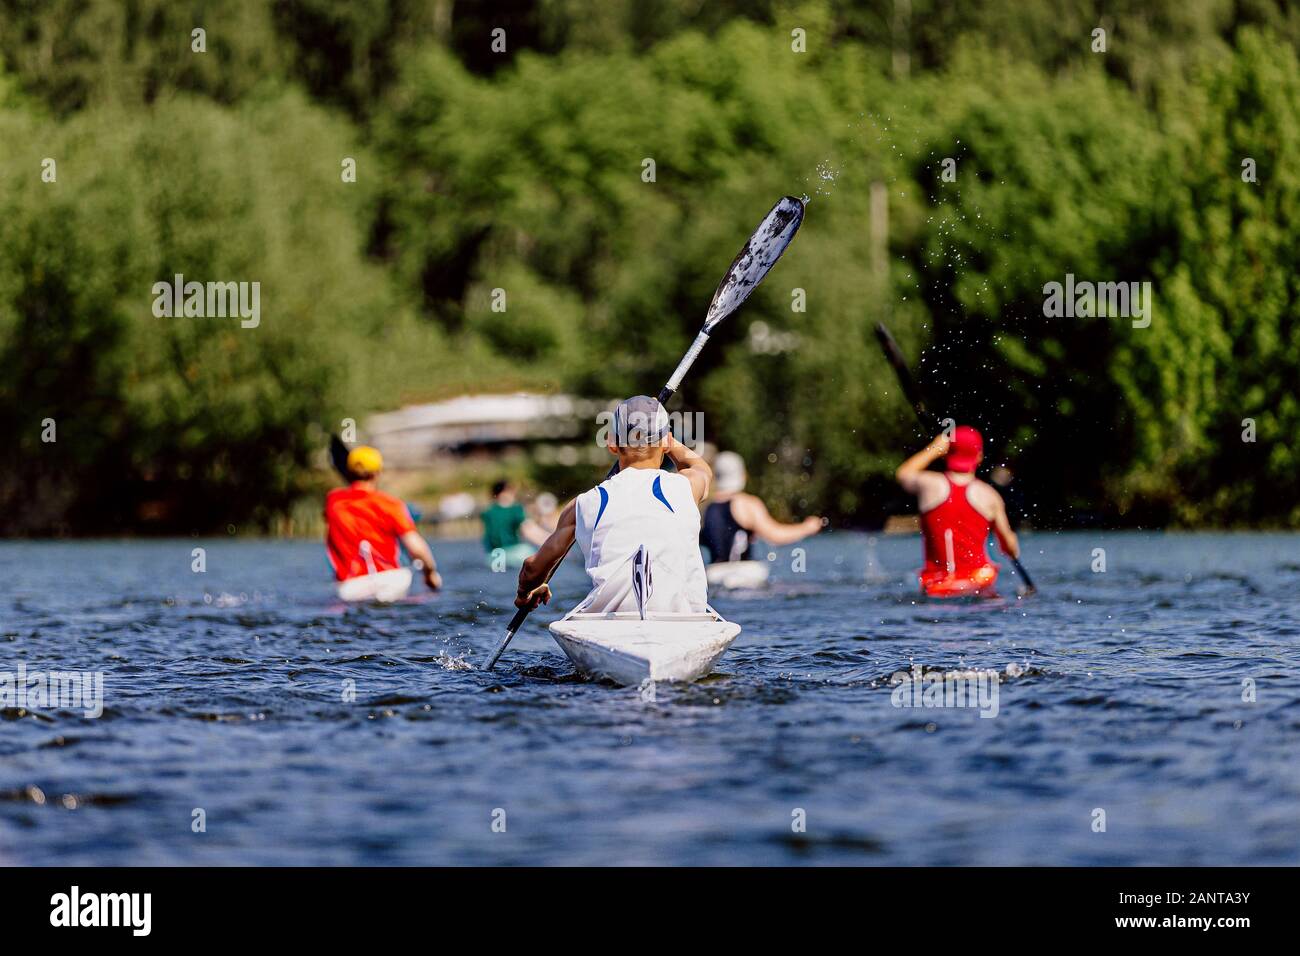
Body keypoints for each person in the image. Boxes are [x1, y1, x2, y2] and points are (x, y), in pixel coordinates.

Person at [515, 396, 712, 615]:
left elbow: (532, 568)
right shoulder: (686, 487)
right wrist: (665, 434)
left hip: (611, 623)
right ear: (666, 442)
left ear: (611, 443)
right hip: (683, 621)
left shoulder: (583, 504)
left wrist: (525, 594)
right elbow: (700, 467)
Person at [895, 426, 1019, 597]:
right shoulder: (990, 496)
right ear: (979, 456)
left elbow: (903, 474)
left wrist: (934, 449)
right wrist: (1012, 545)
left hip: (937, 584)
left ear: (947, 453)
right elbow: (1008, 547)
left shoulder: (930, 485)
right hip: (978, 581)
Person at [325, 445, 441, 592]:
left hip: (350, 588)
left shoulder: (333, 501)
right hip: (391, 580)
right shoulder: (390, 505)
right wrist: (430, 573)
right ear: (377, 473)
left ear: (348, 472)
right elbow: (417, 548)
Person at [700, 451, 823, 565]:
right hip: (743, 577)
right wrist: (807, 528)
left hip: (714, 572)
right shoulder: (746, 503)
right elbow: (775, 535)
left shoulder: (707, 507)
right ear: (743, 475)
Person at [481, 480, 548, 568]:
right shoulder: (515, 510)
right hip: (515, 554)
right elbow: (530, 531)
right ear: (504, 493)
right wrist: (554, 544)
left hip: (492, 558)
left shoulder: (487, 512)